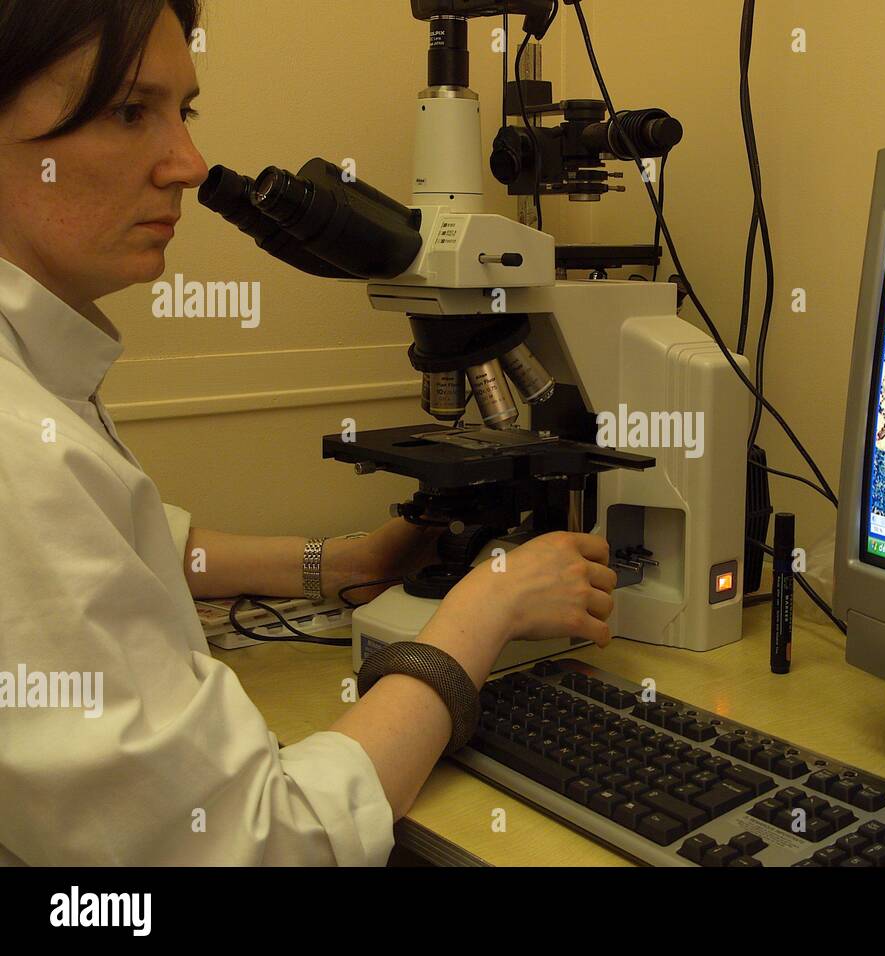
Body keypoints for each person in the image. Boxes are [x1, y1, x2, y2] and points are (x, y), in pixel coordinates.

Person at [0, 0, 616, 865]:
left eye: (187, 112)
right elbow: (264, 842)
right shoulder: (17, 454)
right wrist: (483, 610)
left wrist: (344, 562)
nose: (187, 163)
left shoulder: (31, 383)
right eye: (129, 112)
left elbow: (117, 549)